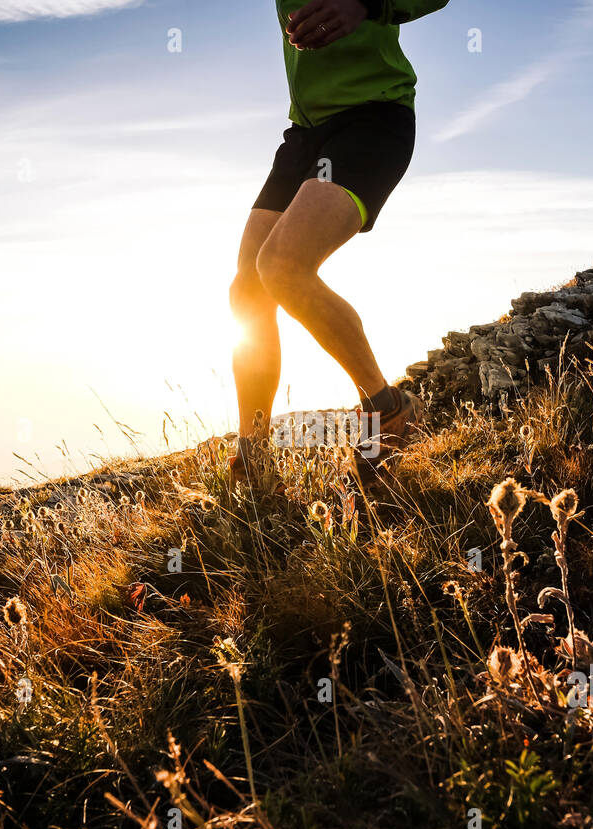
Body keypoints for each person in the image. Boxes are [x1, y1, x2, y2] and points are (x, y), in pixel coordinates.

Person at [228, 0, 449, 489]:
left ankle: (387, 408)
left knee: (283, 265)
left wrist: (365, 4)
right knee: (248, 288)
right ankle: (255, 454)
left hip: (373, 119)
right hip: (305, 136)